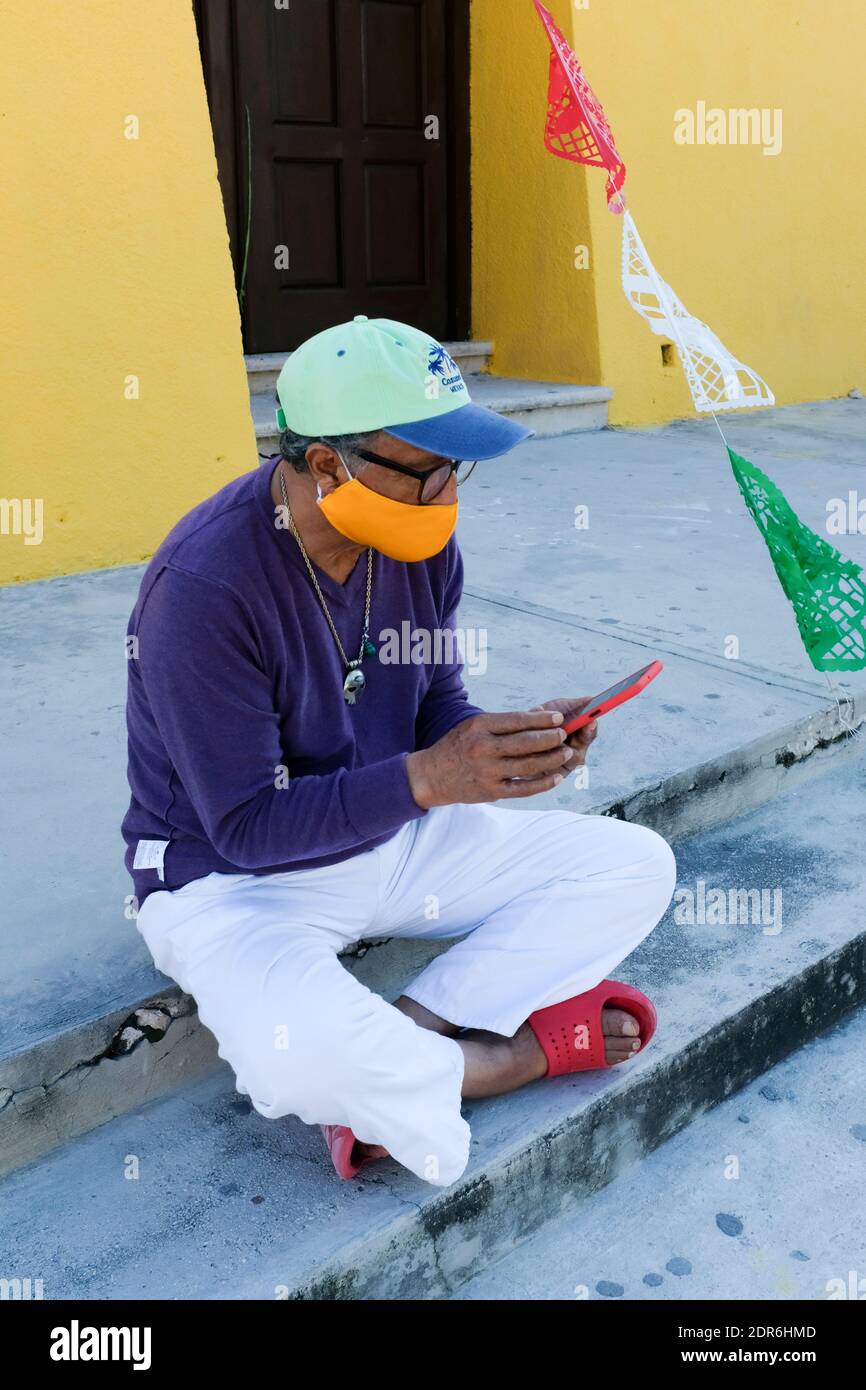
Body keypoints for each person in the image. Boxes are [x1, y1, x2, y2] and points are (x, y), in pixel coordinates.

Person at [122, 315, 676, 1187]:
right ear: (325, 465)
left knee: (636, 863)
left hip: (396, 837)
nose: (447, 496)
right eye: (426, 469)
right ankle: (507, 1062)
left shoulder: (415, 539)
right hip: (235, 882)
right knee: (293, 1060)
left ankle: (416, 1033)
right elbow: (244, 827)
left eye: (458, 469)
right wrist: (430, 779)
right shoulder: (202, 588)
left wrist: (503, 748)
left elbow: (435, 706)